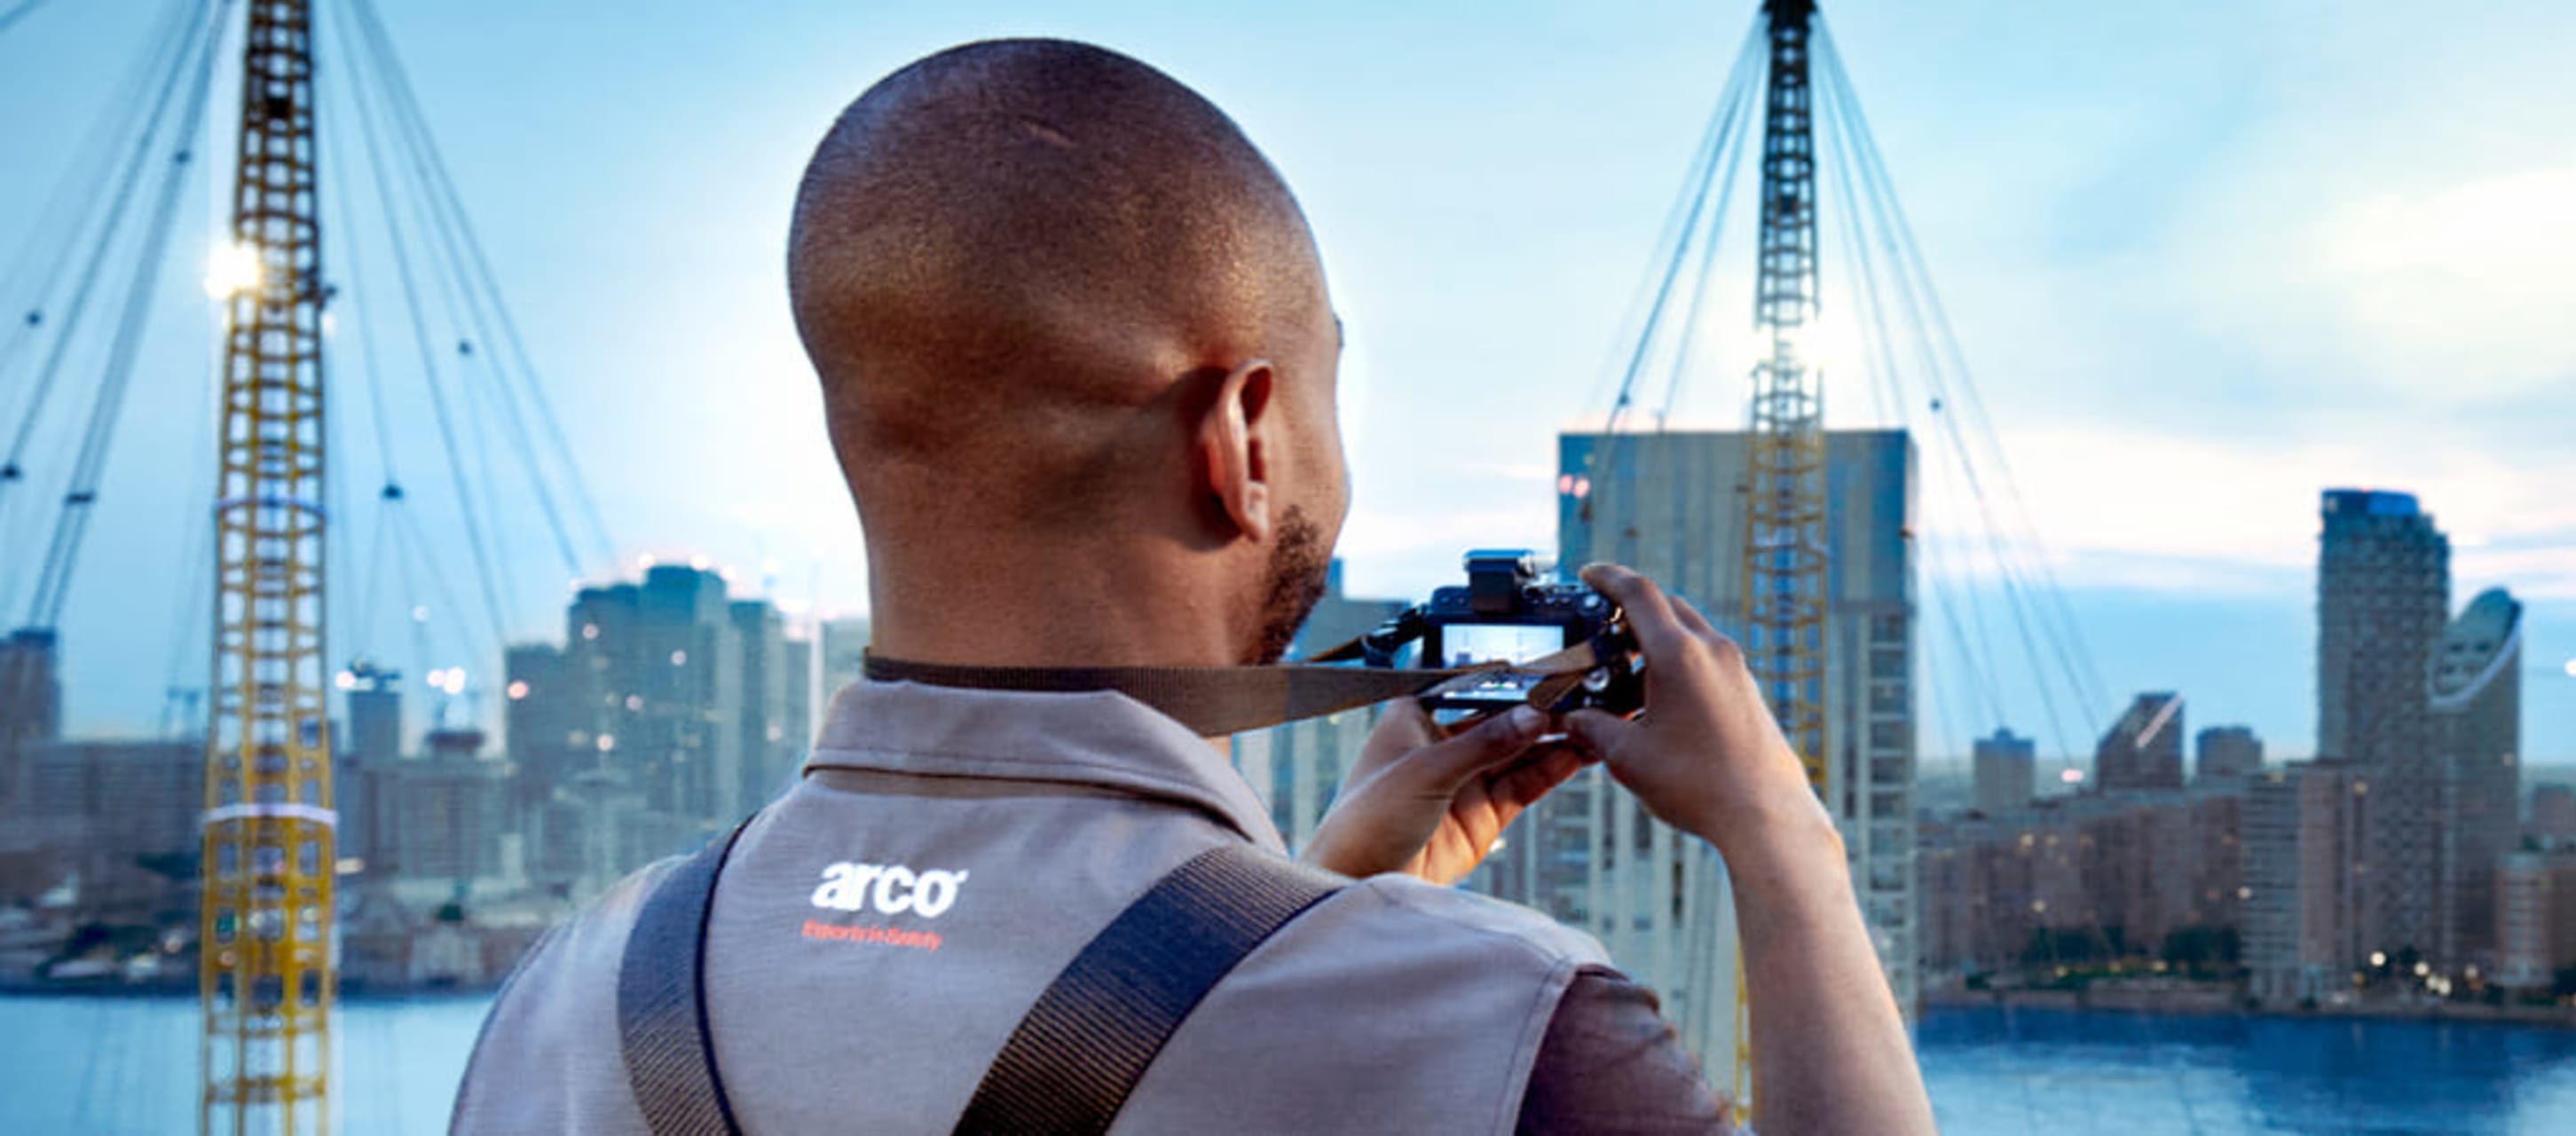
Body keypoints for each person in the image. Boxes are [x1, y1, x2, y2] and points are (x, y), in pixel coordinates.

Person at [450, 36, 1936, 1136]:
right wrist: (1781, 834)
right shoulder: (1500, 1035)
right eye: (1328, 401)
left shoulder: (570, 999)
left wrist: (1308, 906)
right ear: (1240, 437)